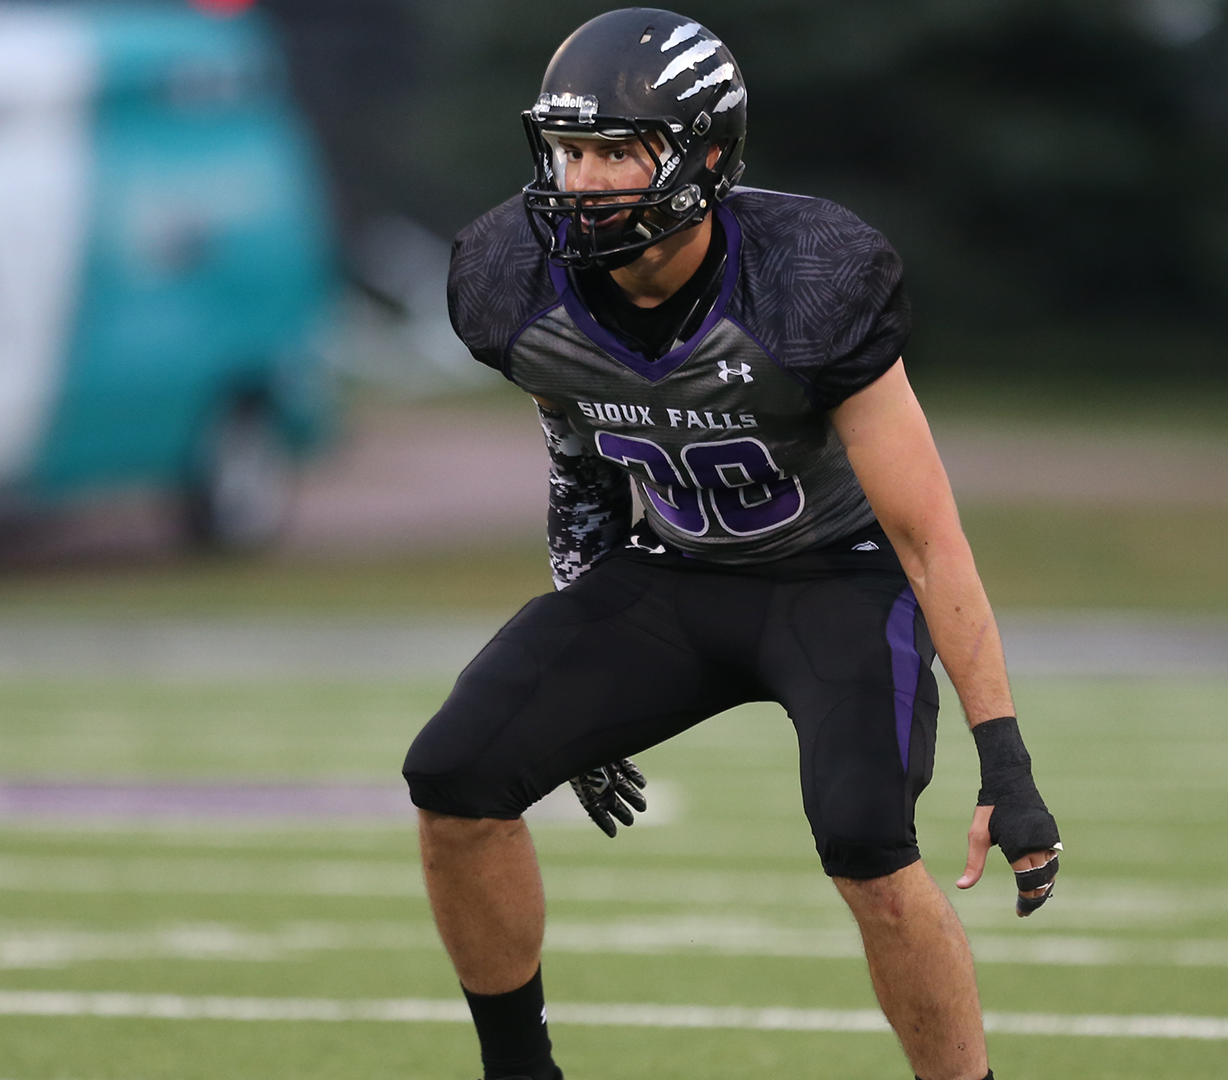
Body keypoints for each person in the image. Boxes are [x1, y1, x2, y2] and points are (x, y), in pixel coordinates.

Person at [401, 10, 1062, 1080]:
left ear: (706, 156)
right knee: (454, 774)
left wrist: (1008, 762)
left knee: (865, 843)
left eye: (617, 151)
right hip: (672, 575)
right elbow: (579, 469)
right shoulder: (509, 275)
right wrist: (579, 684)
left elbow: (926, 535)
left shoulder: (808, 277)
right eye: (569, 152)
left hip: (836, 581)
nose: (582, 182)